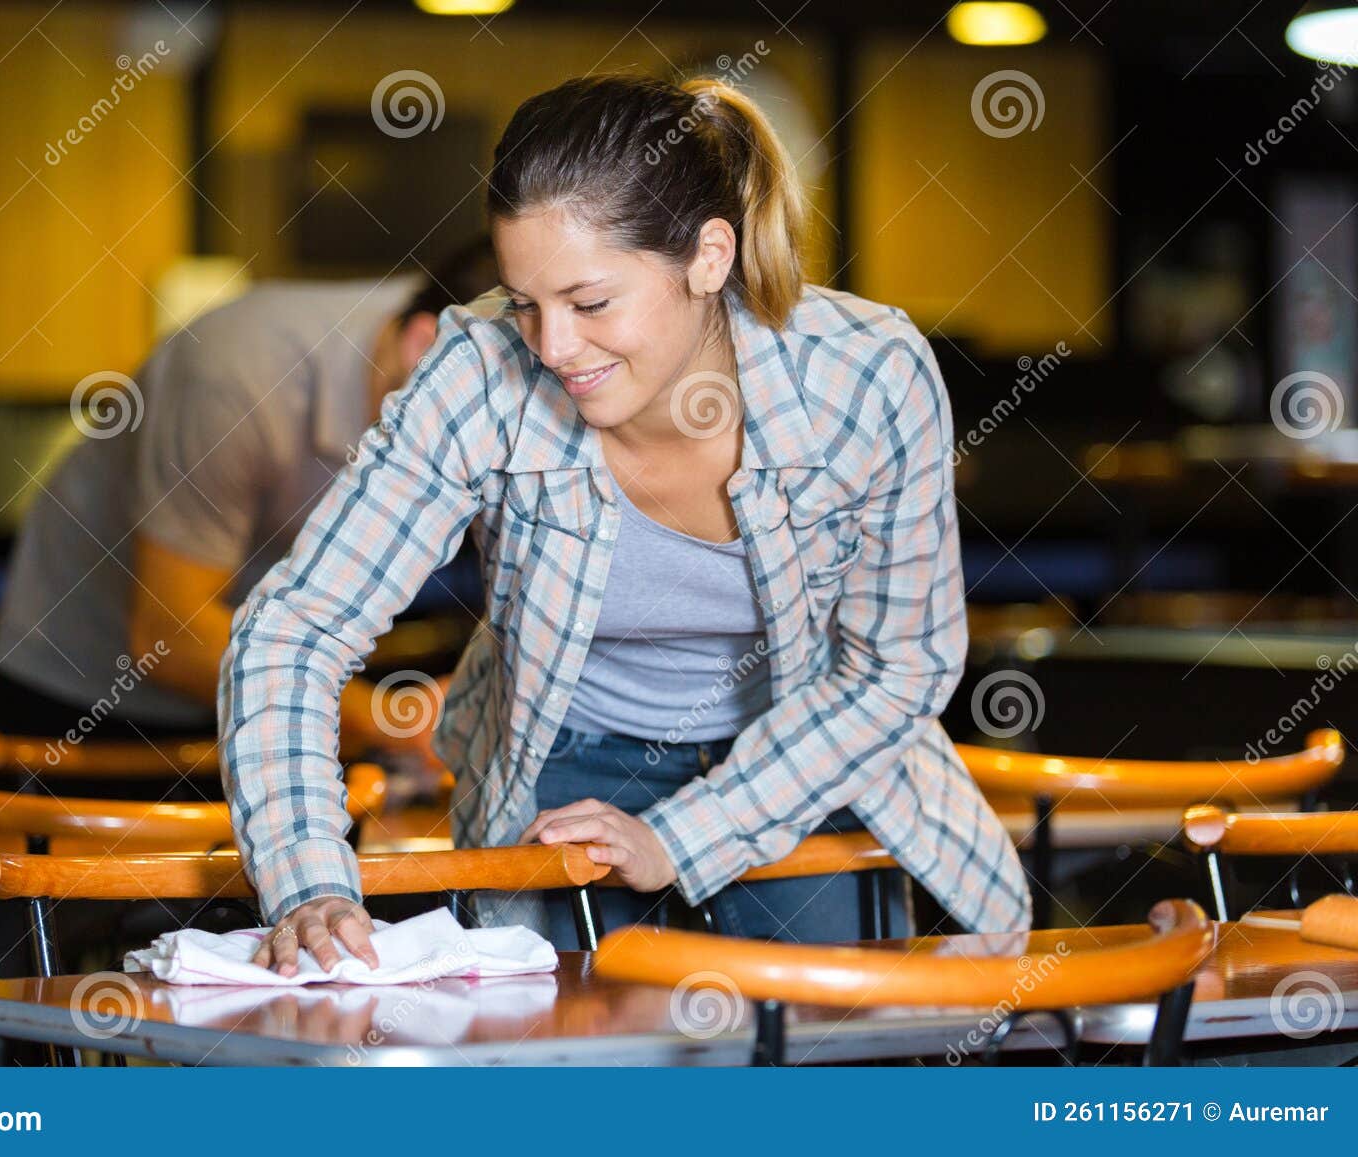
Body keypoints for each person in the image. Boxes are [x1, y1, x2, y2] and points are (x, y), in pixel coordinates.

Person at [223, 74, 1030, 976]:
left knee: (817, 1071)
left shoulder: (867, 374)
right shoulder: (478, 372)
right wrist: (310, 883)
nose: (552, 347)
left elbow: (897, 664)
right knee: (570, 1076)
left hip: (807, 761)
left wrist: (687, 833)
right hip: (562, 767)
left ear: (709, 257)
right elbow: (292, 631)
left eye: (591, 302)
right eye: (525, 302)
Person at [0, 238, 499, 749]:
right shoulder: (238, 379)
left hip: (268, 679)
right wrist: (390, 721)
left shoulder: (482, 329)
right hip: (92, 694)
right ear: (421, 348)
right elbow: (171, 639)